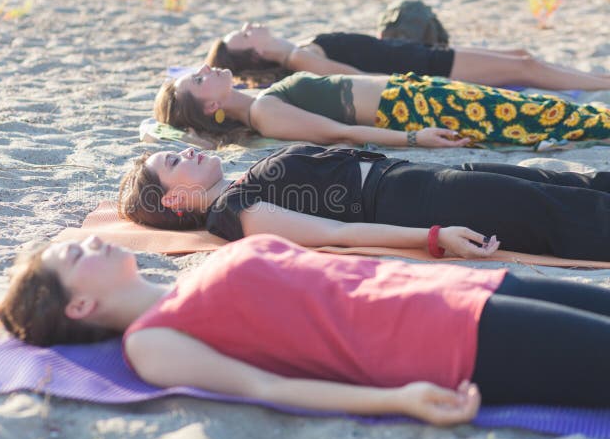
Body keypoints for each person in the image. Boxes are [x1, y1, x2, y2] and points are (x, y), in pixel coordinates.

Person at [0, 233, 610, 426]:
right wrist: (397, 401)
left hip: (465, 289)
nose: (88, 239)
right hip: (452, 342)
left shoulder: (190, 276)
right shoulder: (151, 341)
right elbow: (265, 388)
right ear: (77, 307)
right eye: (74, 255)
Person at [118, 145, 610, 261]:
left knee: (567, 185)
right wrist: (433, 237)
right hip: (418, 200)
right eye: (173, 159)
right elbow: (336, 235)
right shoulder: (233, 211)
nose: (187, 150)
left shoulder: (240, 182)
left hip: (416, 176)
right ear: (176, 199)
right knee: (558, 213)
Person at [154, 64, 610, 148]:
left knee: (529, 111)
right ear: (211, 103)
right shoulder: (265, 113)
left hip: (415, 93)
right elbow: (340, 134)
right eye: (197, 80)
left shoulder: (261, 101)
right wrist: (415, 139)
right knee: (539, 117)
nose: (205, 70)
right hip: (414, 110)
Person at [207, 22, 610, 91]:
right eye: (244, 35)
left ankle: (597, 81)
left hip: (428, 53)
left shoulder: (301, 48)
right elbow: (355, 76)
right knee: (527, 68)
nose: (250, 25)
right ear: (256, 51)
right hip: (431, 67)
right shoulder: (302, 59)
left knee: (522, 56)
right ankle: (603, 84)